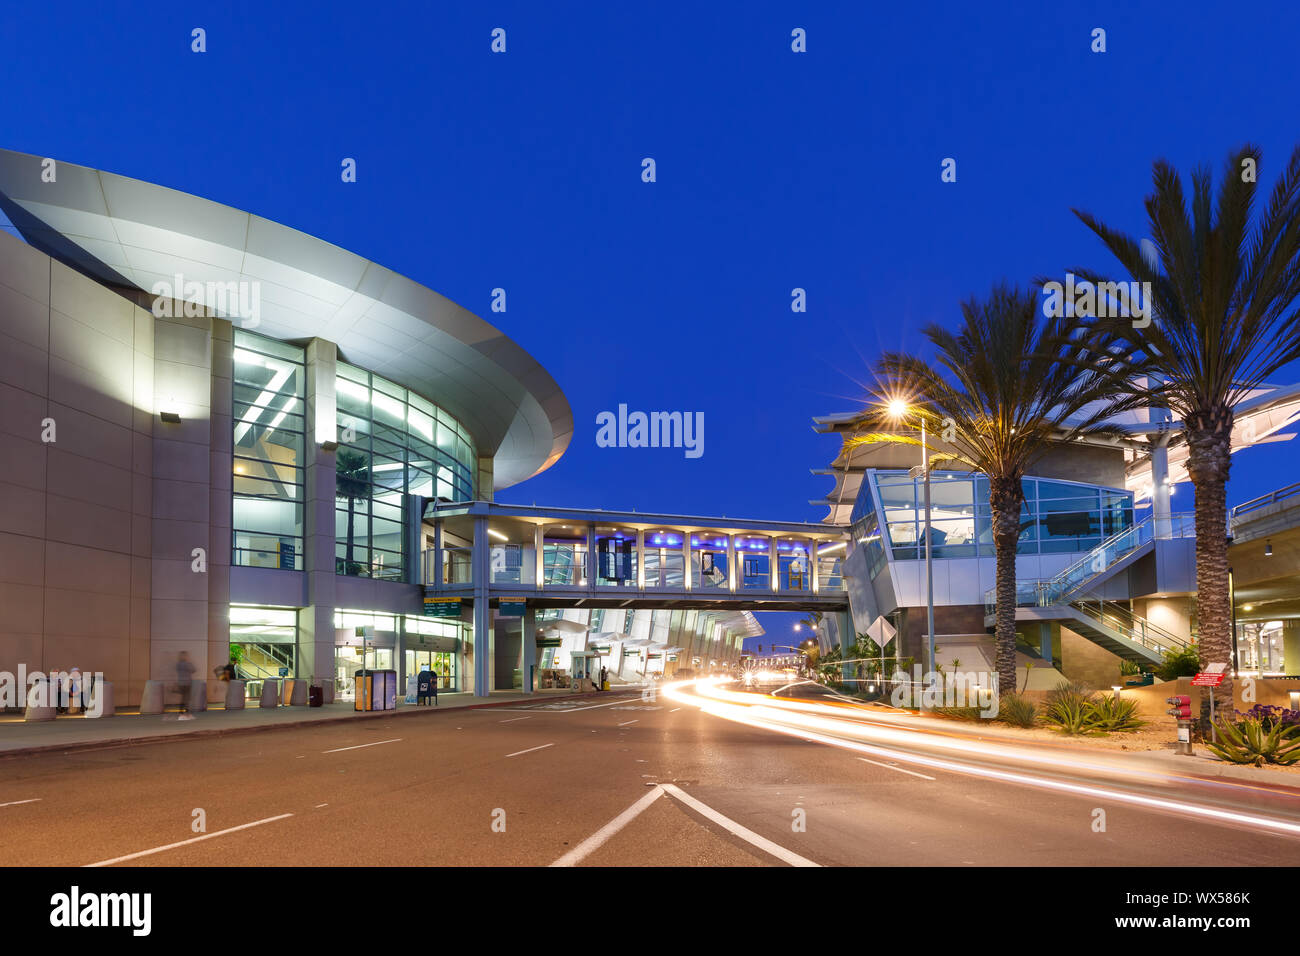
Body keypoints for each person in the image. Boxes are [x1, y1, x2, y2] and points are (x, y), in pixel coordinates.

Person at [175, 651, 196, 720]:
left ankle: (181, 712)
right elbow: (194, 670)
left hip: (180, 683)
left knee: (183, 698)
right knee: (187, 698)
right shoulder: (188, 664)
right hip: (187, 683)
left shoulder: (178, 664)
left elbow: (176, 670)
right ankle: (186, 713)